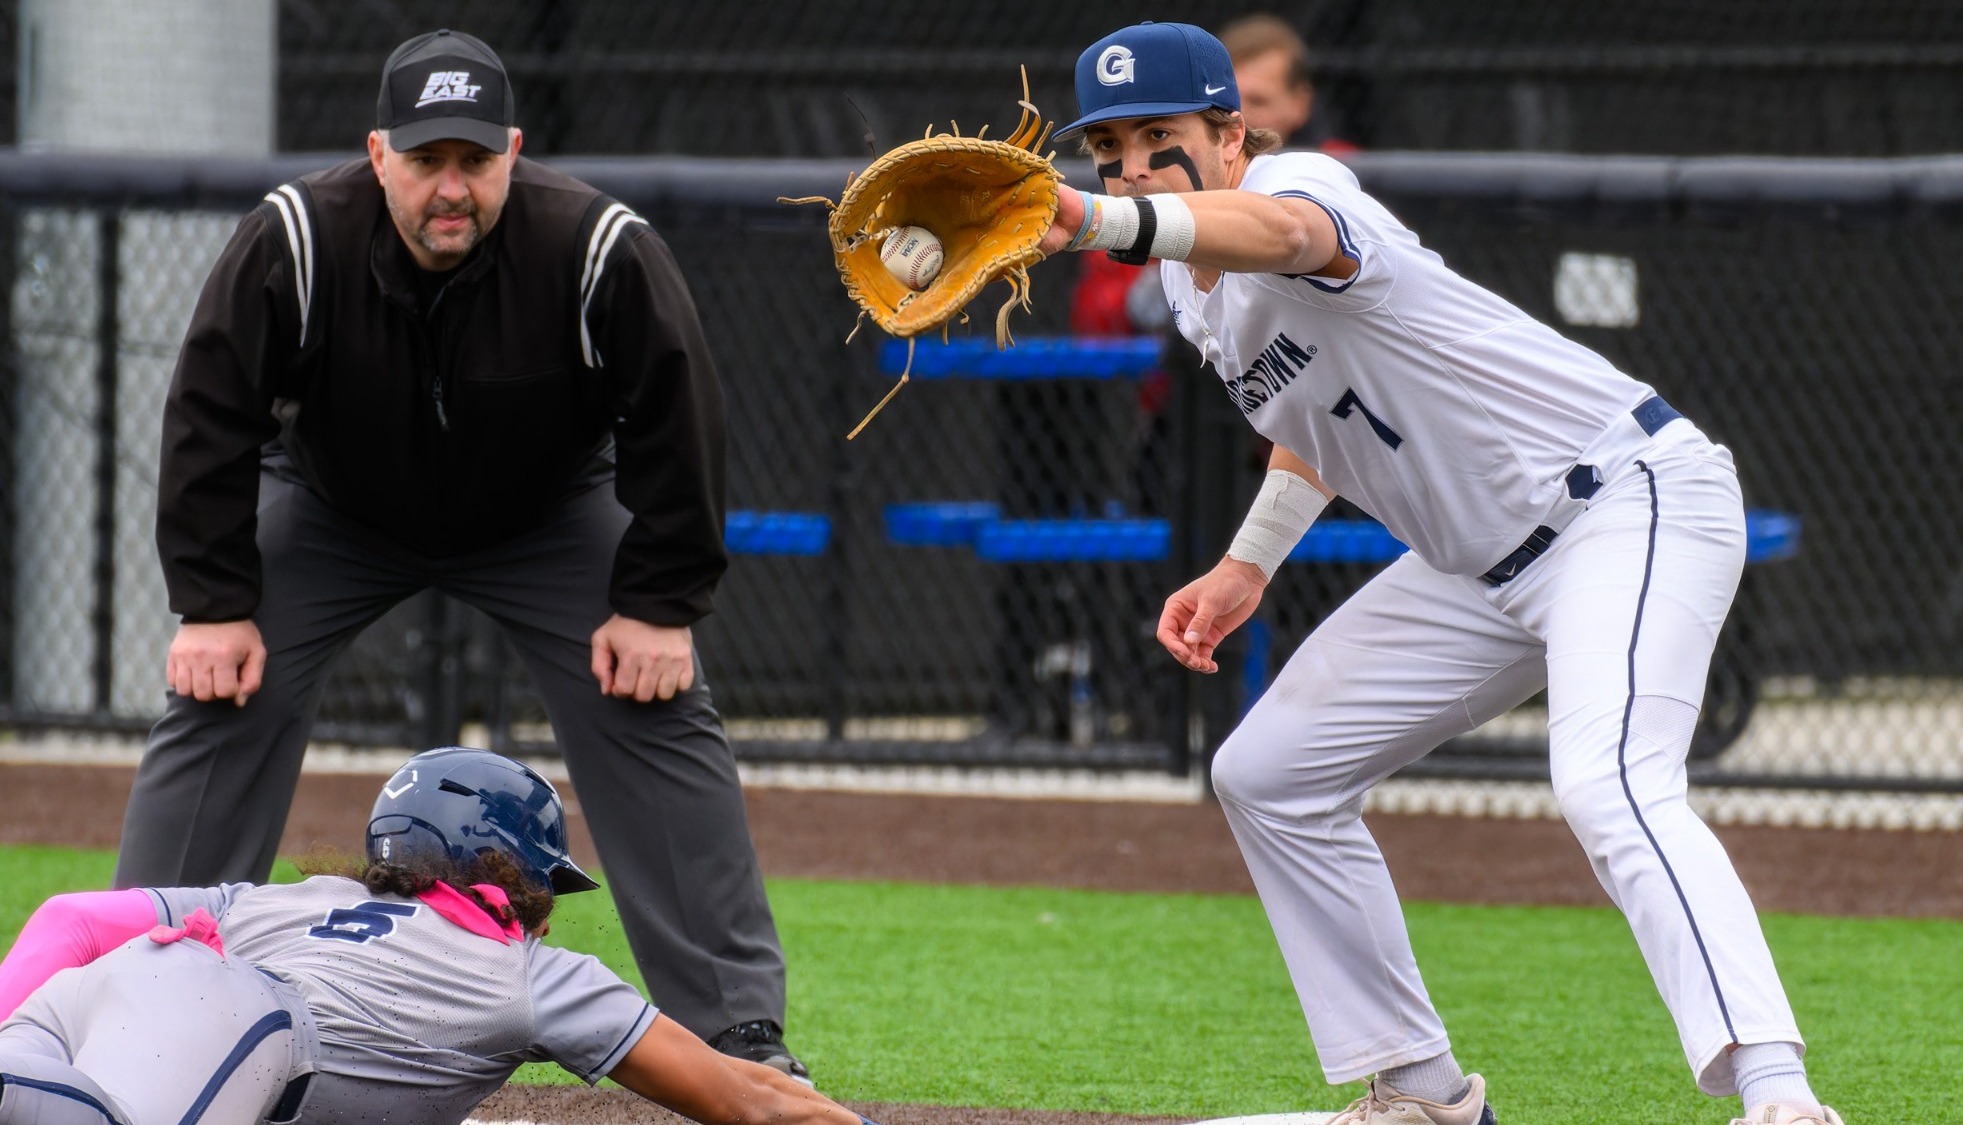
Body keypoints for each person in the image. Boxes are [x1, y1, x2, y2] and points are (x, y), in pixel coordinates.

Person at [1035, 21, 1841, 1125]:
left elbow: (1283, 230)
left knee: (1608, 780)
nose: (1131, 162)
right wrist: (1246, 564)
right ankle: (1420, 1094)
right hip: (1474, 569)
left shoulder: (1299, 181)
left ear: (1231, 132)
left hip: (1621, 501)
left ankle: (1778, 1097)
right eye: (1108, 147)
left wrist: (1091, 220)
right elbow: (1311, 416)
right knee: (1269, 775)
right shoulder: (1187, 284)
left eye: (1158, 134)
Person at [116, 28, 809, 1080]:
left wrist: (659, 603)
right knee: (220, 690)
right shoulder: (296, 237)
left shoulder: (596, 246)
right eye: (427, 159)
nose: (452, 187)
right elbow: (209, 414)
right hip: (334, 504)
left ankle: (737, 1033)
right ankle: (131, 987)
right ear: (377, 151)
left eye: (475, 161)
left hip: (545, 511)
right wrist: (212, 603)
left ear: (513, 152)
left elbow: (681, 420)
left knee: (655, 701)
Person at [0, 746, 875, 1125]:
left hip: (90, 1004)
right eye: (545, 883)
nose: (549, 907)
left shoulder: (276, 899)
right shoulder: (529, 973)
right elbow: (747, 1098)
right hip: (236, 1023)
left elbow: (67, 920)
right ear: (508, 875)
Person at [1217, 12, 1358, 153]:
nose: (1237, 114)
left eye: (1257, 101)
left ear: (1300, 105)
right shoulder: (1198, 163)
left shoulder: (1340, 164)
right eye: (1225, 100)